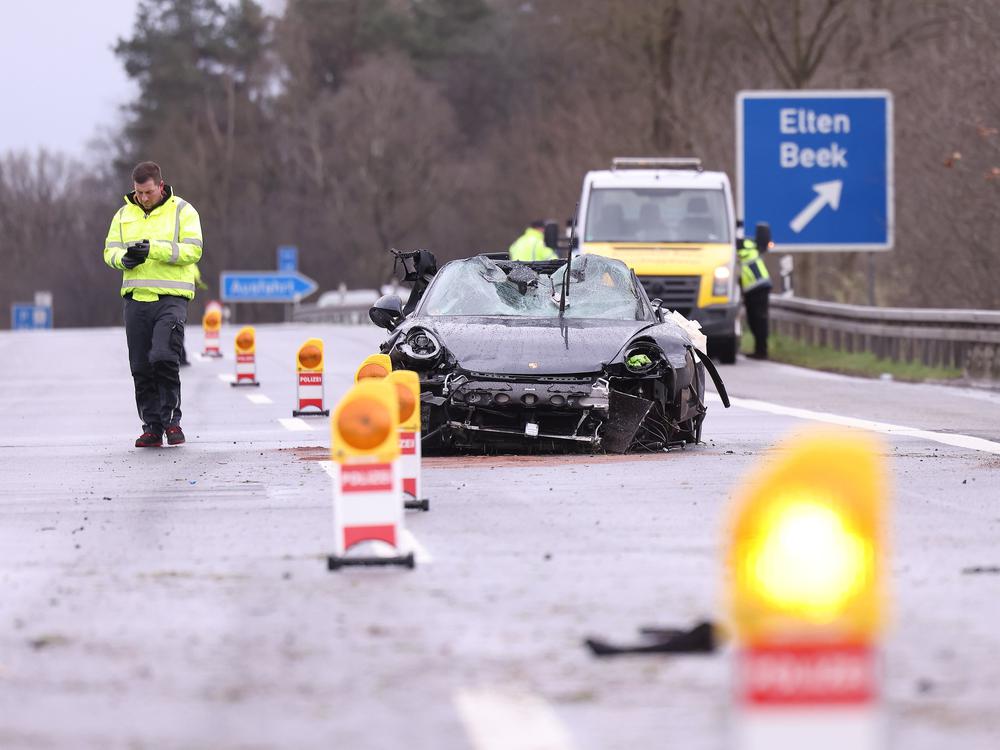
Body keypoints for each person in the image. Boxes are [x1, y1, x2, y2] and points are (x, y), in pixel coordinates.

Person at [103, 161, 203, 447]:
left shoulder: (183, 211)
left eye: (148, 192)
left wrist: (154, 249)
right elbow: (109, 250)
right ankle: (151, 427)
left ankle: (172, 421)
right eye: (138, 193)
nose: (143, 198)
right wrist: (123, 259)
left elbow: (194, 249)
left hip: (171, 299)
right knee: (140, 366)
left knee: (163, 356)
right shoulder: (123, 214)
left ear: (160, 186)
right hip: (136, 300)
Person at [738, 234, 772, 360]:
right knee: (755, 321)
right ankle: (760, 350)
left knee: (759, 321)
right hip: (754, 289)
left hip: (758, 288)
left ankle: (762, 351)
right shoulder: (750, 246)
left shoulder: (741, 249)